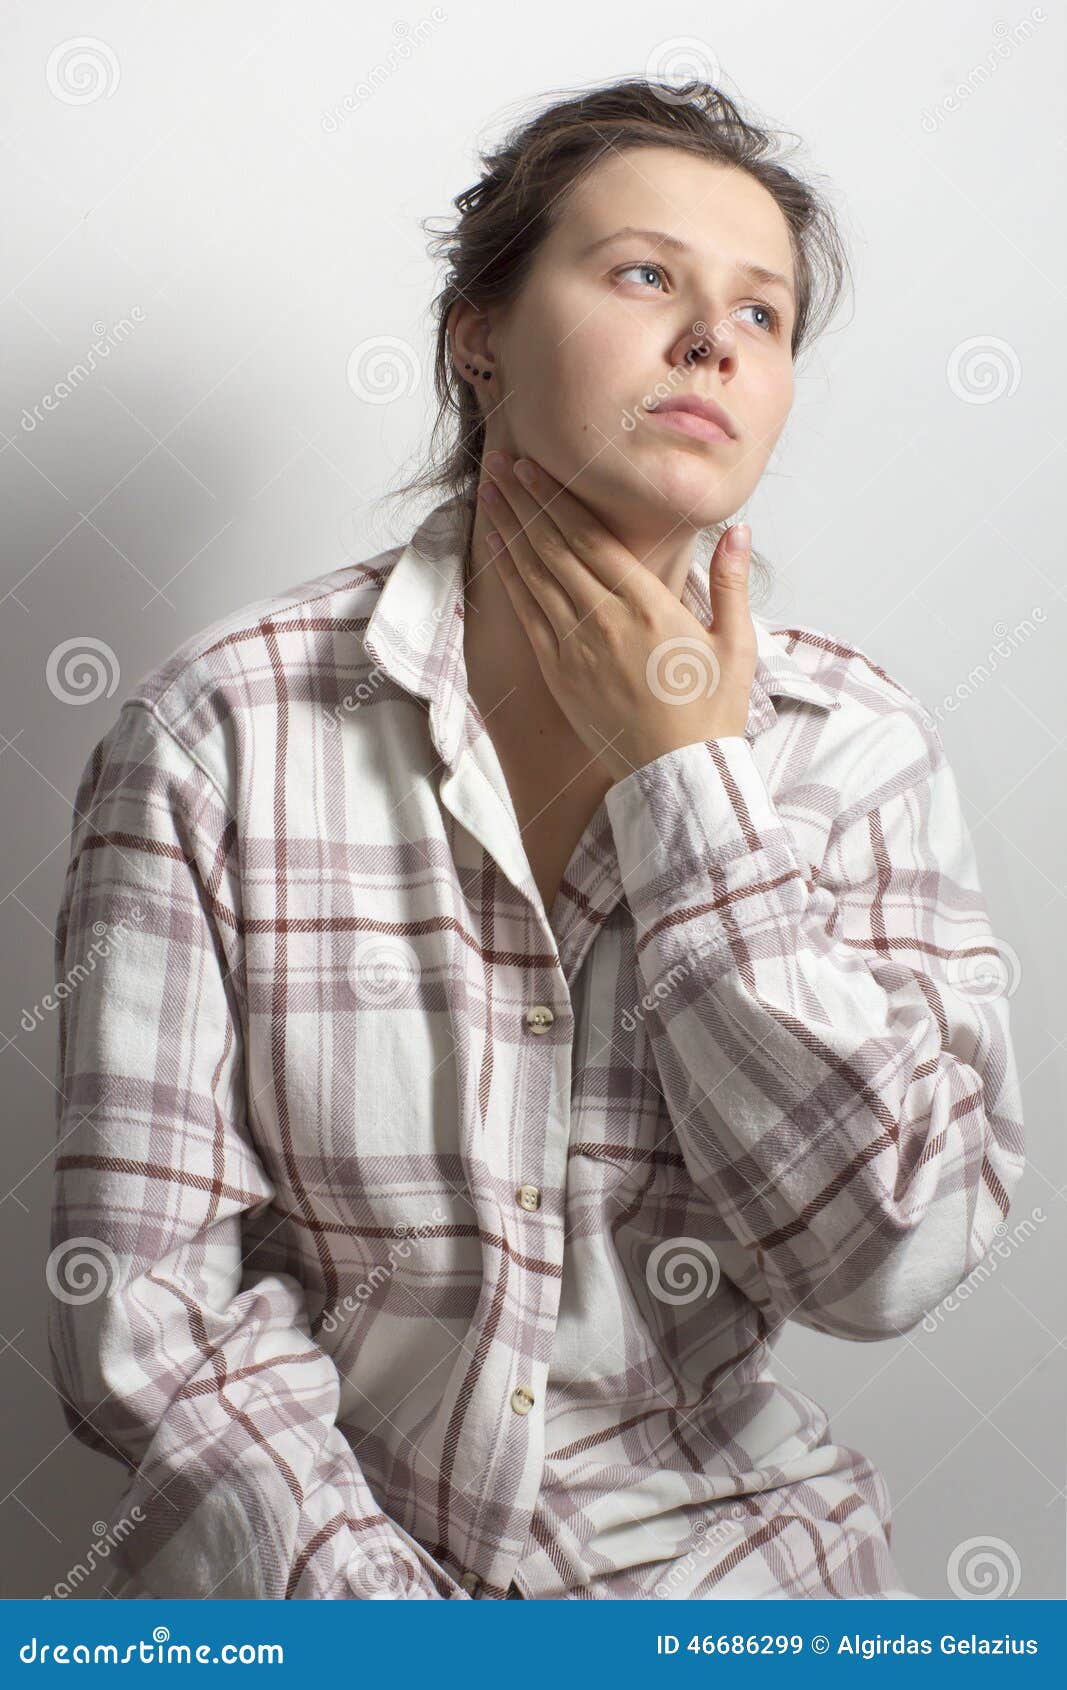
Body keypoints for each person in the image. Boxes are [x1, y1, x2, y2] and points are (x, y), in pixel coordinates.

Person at [47, 77, 1024, 1601]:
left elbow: (890, 1256)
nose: (712, 339)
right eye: (647, 275)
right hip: (320, 1589)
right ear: (479, 334)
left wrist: (686, 778)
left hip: (738, 1584)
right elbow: (150, 1316)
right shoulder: (221, 728)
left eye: (761, 315)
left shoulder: (859, 747)